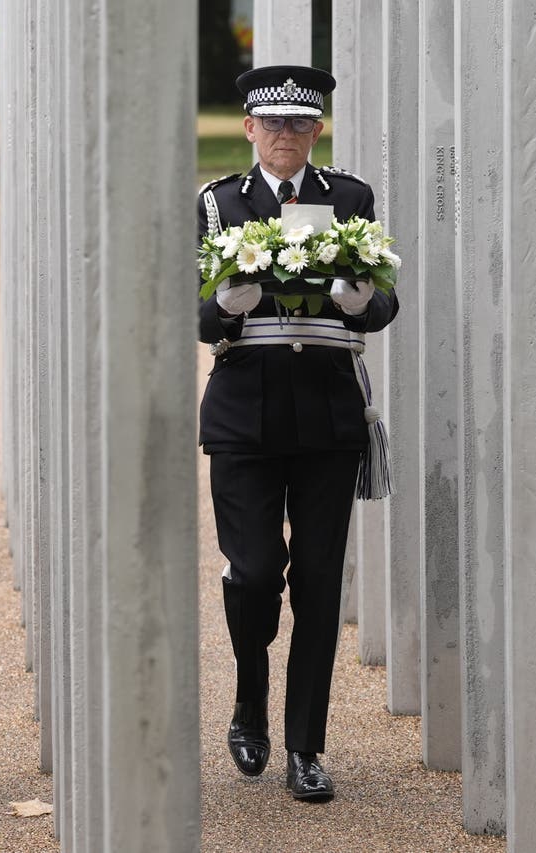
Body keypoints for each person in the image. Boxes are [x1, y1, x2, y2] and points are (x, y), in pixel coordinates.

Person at [197, 65, 399, 803]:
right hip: (244, 411)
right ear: (249, 128)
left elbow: (381, 306)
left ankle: (305, 745)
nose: (286, 136)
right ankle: (250, 697)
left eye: (300, 124)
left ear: (318, 129)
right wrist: (225, 302)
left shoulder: (348, 198)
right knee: (252, 573)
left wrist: (361, 298)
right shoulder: (218, 204)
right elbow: (194, 319)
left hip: (326, 412)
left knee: (317, 582)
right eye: (272, 124)